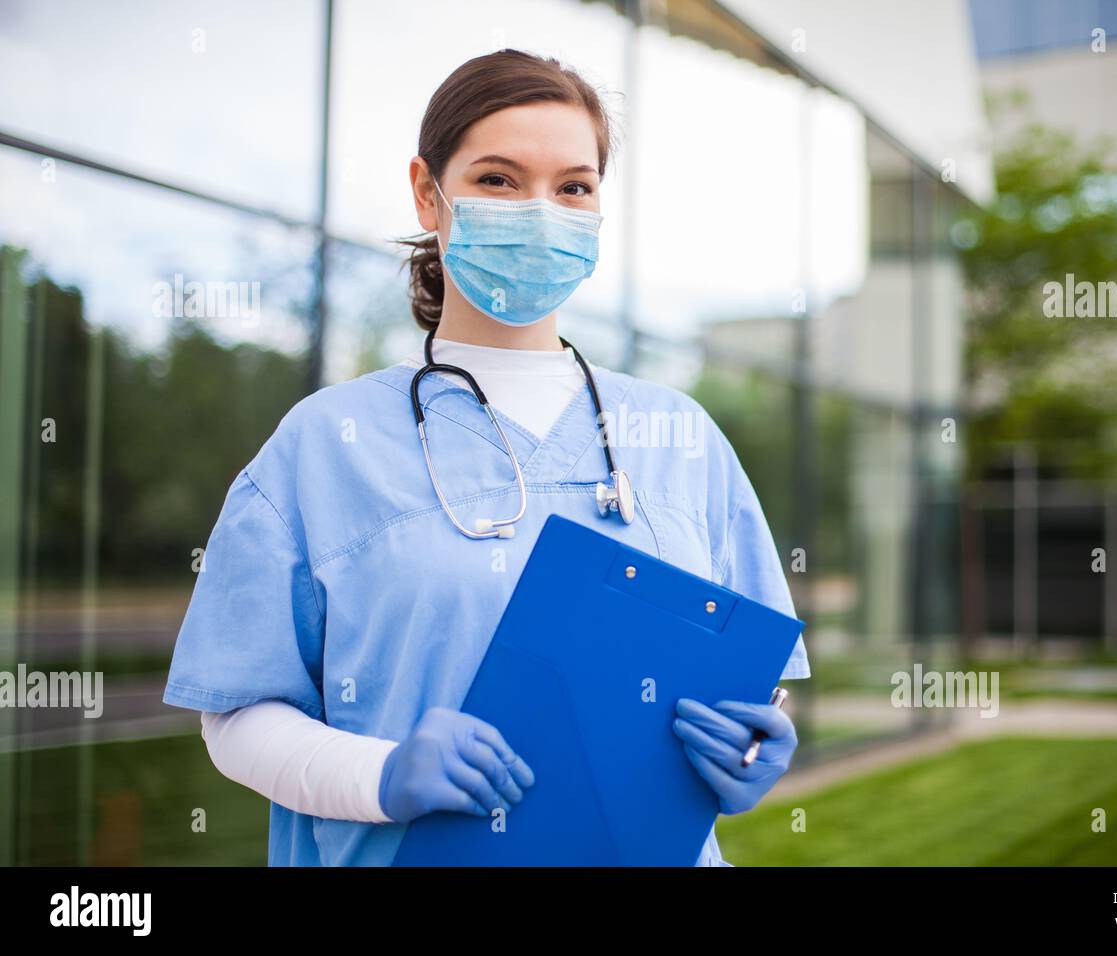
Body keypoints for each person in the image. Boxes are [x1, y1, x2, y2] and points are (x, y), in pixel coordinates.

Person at [163, 49, 810, 867]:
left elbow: (744, 684)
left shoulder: (679, 438)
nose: (542, 210)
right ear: (428, 193)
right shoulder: (325, 446)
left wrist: (754, 748)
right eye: (500, 180)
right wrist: (382, 773)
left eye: (573, 186)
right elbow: (236, 716)